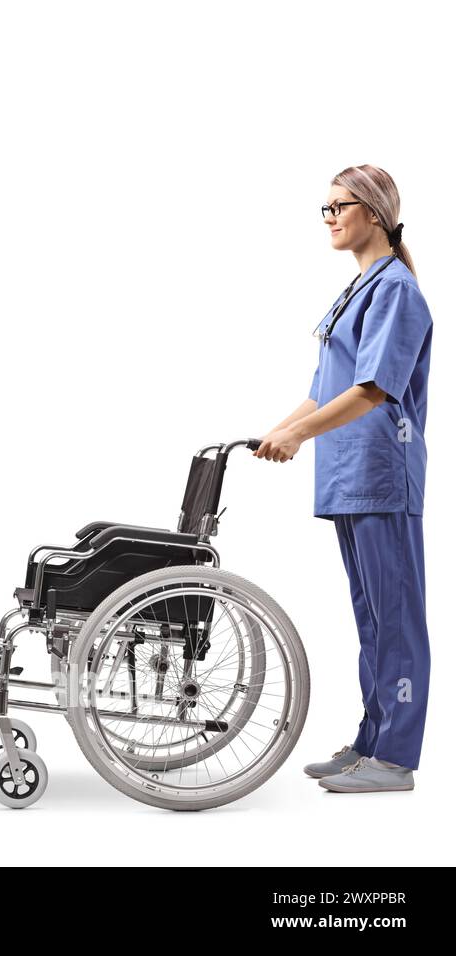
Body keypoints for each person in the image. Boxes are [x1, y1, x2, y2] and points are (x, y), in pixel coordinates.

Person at [255, 164, 431, 794]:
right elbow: (323, 390)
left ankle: (396, 759)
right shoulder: (356, 290)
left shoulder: (396, 291)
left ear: (375, 213)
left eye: (340, 205)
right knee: (370, 619)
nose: (329, 217)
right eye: (324, 208)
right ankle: (370, 743)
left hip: (382, 473)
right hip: (348, 474)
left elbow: (376, 388)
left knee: (397, 618)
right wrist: (276, 430)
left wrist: (300, 435)